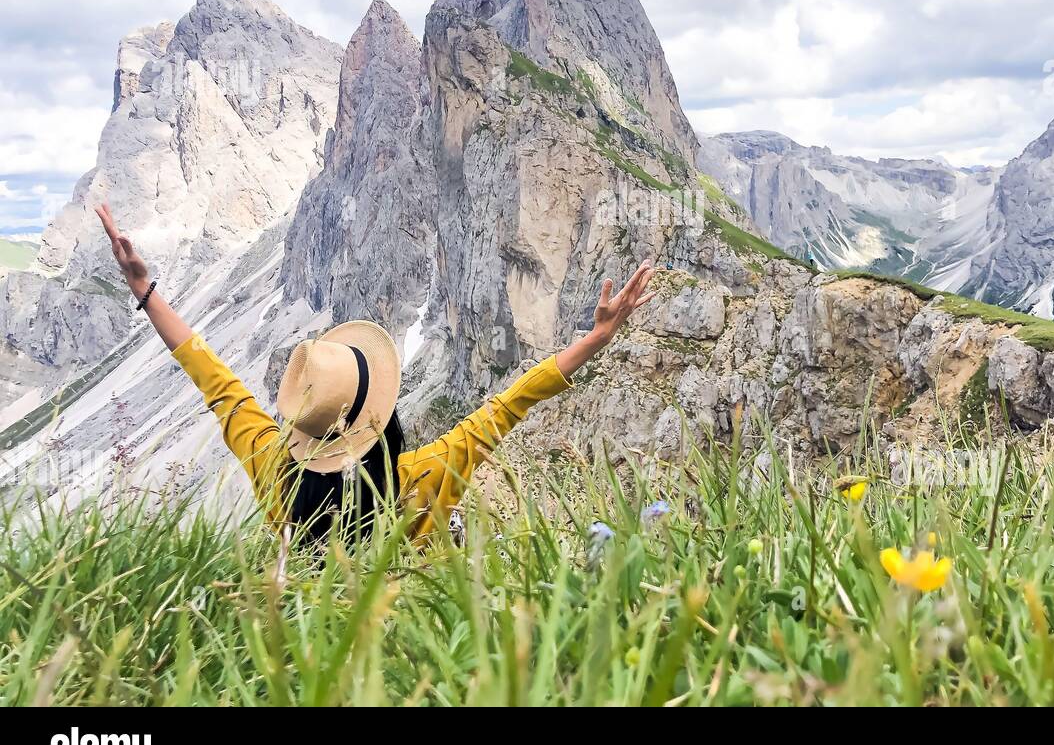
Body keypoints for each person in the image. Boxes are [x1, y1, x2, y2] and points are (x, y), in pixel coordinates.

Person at [94, 202, 656, 543]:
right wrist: (596, 338)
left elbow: (216, 383)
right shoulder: (421, 478)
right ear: (382, 424)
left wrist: (146, 292)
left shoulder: (272, 468)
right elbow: (507, 406)